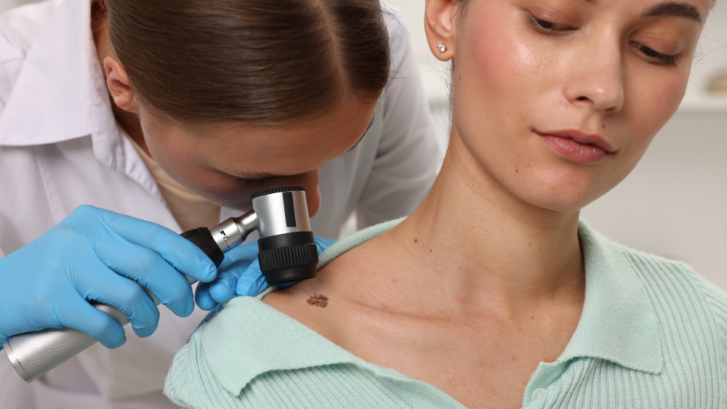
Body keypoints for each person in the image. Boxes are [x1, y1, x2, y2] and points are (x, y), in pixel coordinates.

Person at [165, 0, 727, 407]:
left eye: (657, 49)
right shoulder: (253, 369)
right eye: (550, 21)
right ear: (446, 14)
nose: (604, 89)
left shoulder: (707, 339)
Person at [0, 0, 442, 407]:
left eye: (340, 153)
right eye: (255, 176)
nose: (312, 202)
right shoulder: (9, 80)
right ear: (121, 86)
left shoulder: (354, 50)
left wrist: (356, 279)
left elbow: (429, 260)